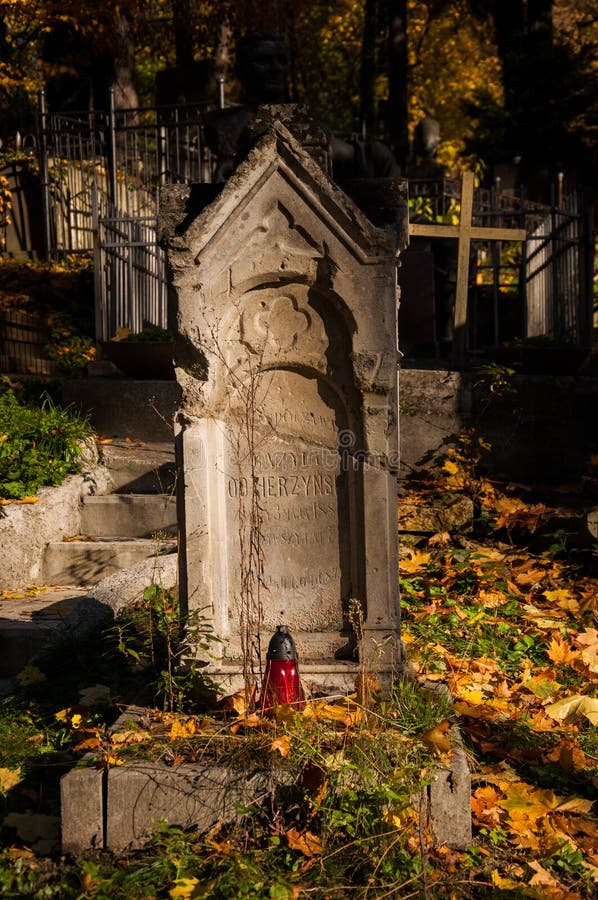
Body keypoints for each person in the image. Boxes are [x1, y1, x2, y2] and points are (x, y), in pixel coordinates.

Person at [203, 30, 400, 182]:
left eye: (281, 61)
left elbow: (340, 152)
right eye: (263, 60)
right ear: (241, 70)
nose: (275, 68)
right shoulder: (223, 124)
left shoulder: (308, 119)